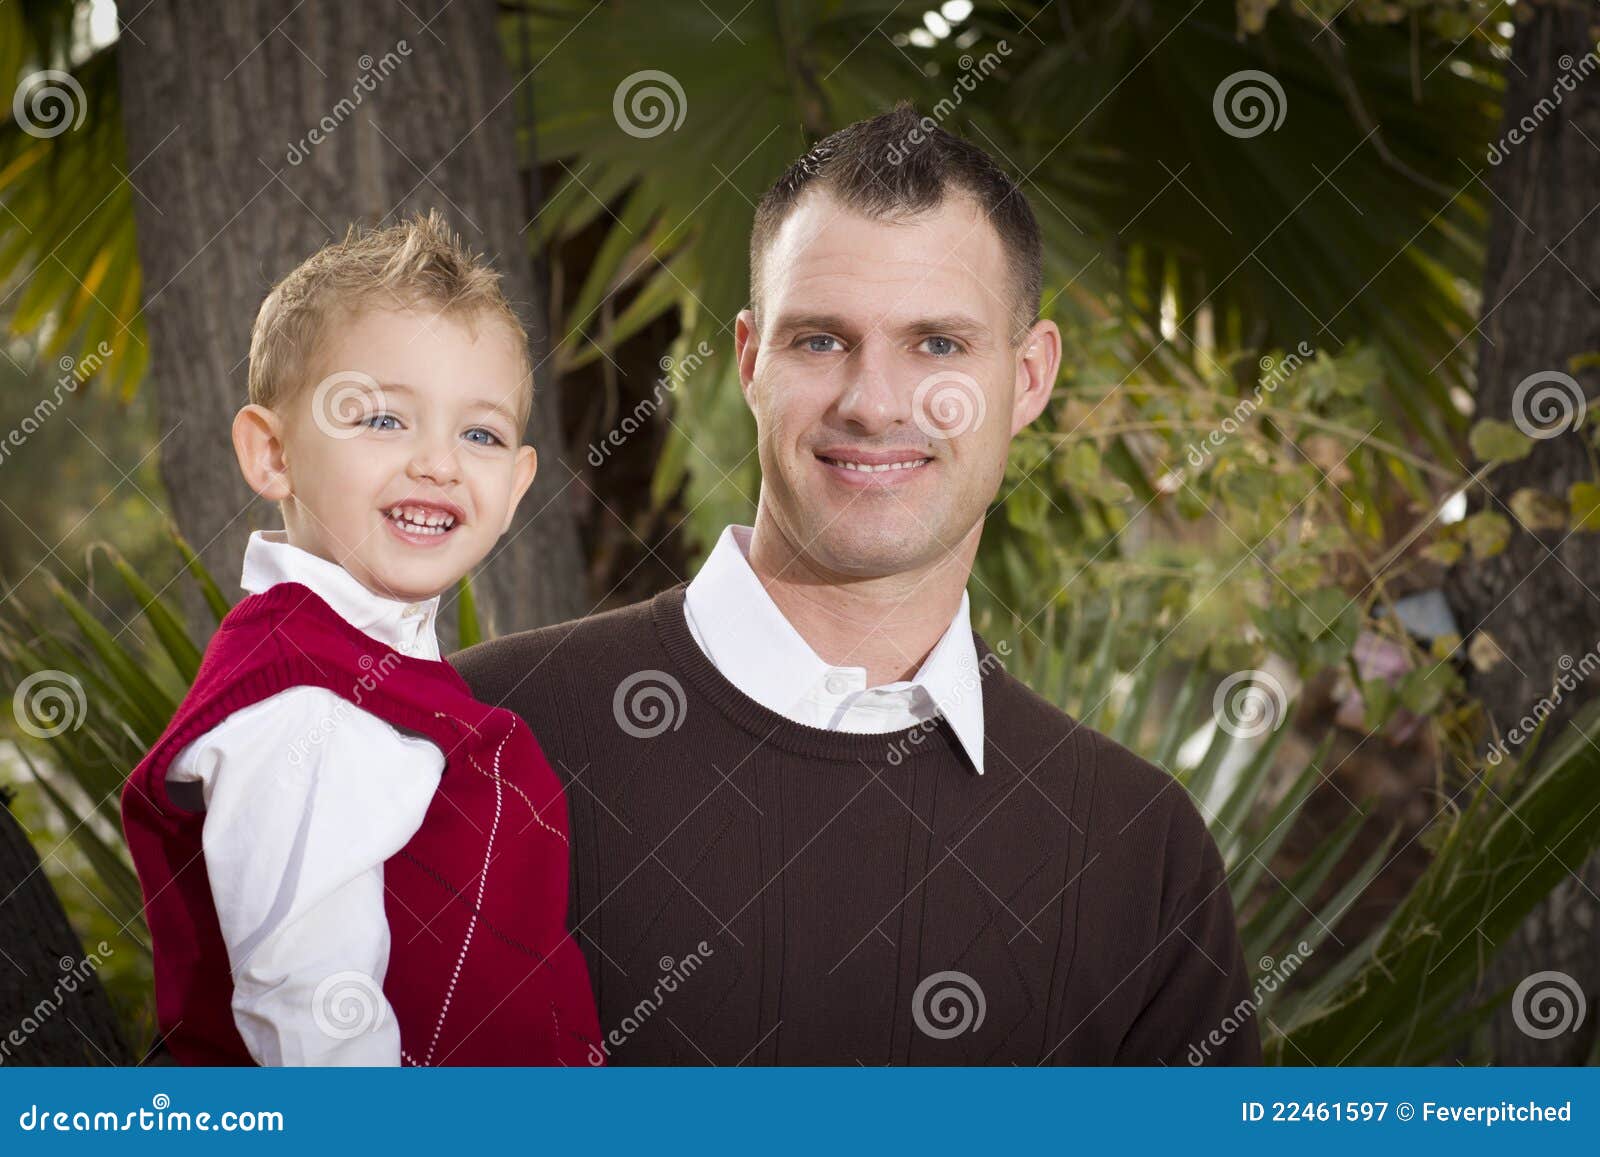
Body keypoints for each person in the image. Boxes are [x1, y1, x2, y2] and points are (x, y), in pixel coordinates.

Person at [451, 105, 1262, 1065]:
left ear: (1030, 375)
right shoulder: (481, 736)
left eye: (940, 346)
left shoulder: (1135, 847)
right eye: (822, 341)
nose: (874, 403)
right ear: (751, 361)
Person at [121, 211, 600, 1066]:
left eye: (480, 434)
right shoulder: (302, 703)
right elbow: (311, 1015)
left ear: (519, 481)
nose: (439, 463)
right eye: (382, 420)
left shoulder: (382, 673)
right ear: (272, 455)